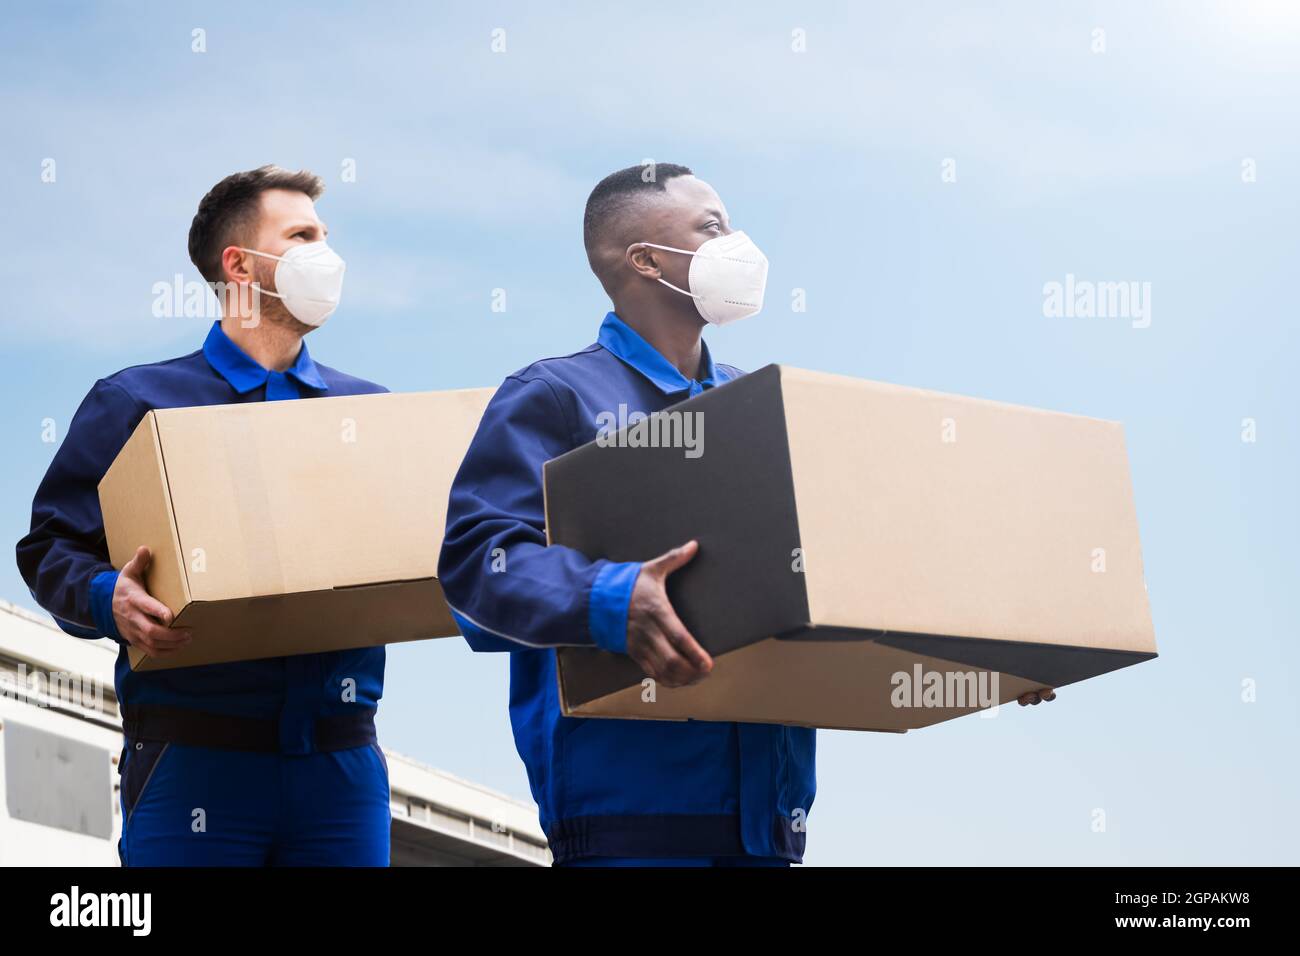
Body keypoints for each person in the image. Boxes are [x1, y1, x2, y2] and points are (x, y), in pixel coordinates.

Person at [16, 165, 392, 866]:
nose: (327, 255)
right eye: (303, 235)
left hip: (341, 768)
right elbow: (49, 547)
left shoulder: (366, 413)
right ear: (239, 264)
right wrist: (108, 599)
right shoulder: (137, 401)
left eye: (327, 235)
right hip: (193, 757)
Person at [438, 163, 812, 866]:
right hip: (629, 826)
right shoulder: (554, 396)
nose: (738, 243)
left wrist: (995, 651)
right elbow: (476, 569)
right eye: (712, 227)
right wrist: (611, 597)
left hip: (770, 830)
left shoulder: (760, 406)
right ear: (645, 260)